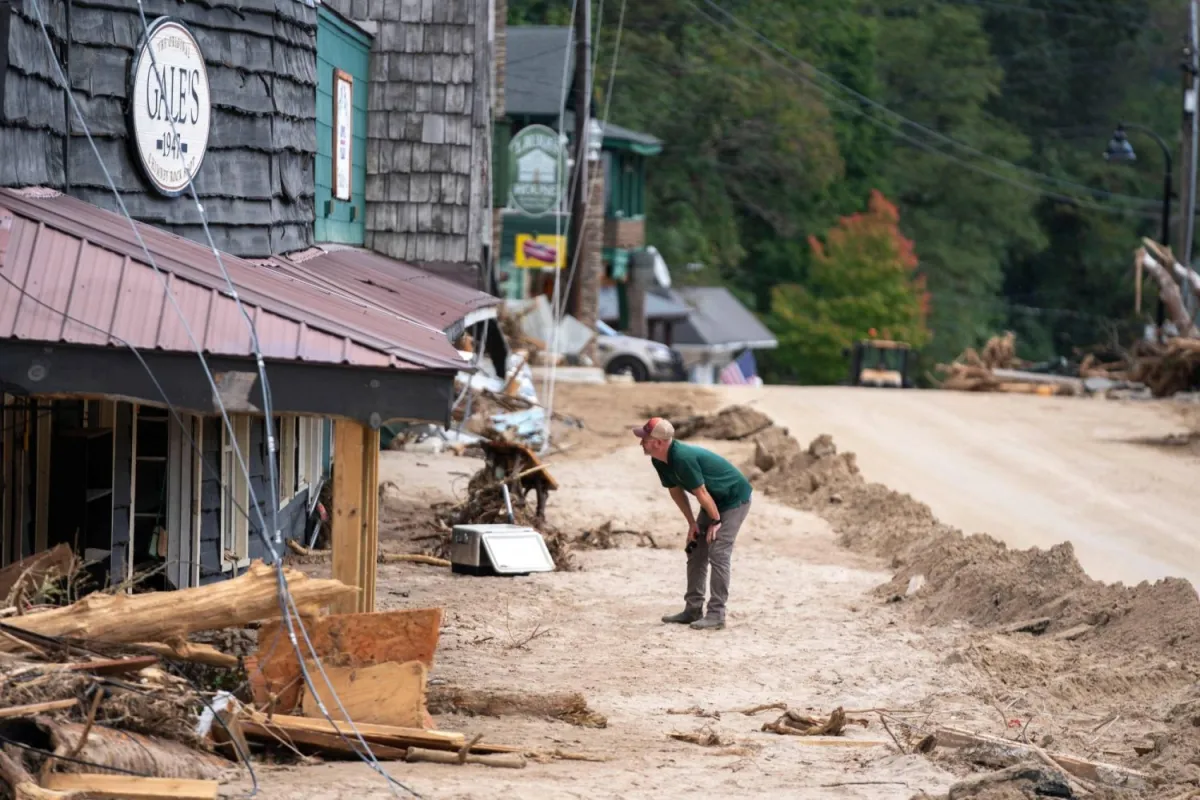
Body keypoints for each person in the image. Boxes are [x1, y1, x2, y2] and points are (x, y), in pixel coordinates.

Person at [633, 417, 753, 631]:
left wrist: (716, 521)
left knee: (718, 551)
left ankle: (716, 614)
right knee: (696, 548)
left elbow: (701, 493)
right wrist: (692, 524)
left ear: (658, 442)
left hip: (734, 499)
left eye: (645, 439)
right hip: (712, 501)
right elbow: (675, 490)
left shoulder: (683, 458)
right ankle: (693, 609)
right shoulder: (658, 459)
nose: (641, 442)